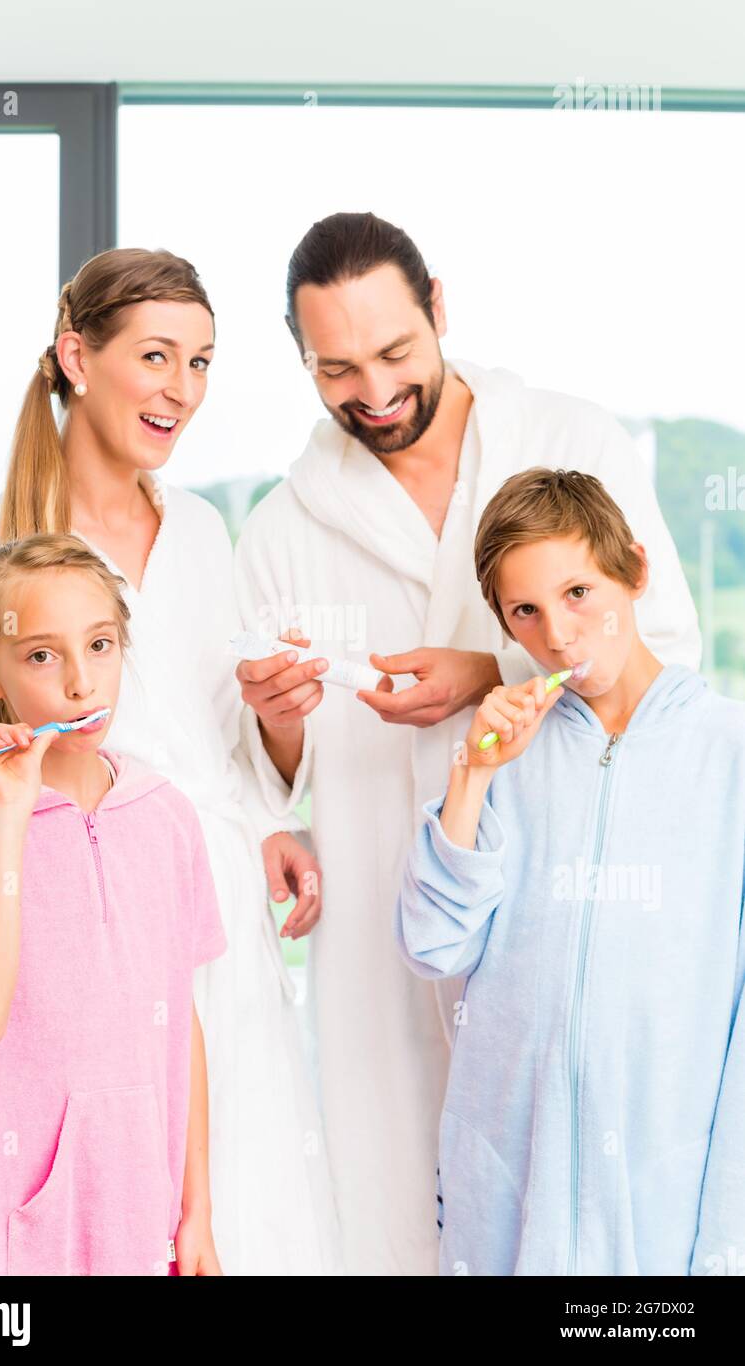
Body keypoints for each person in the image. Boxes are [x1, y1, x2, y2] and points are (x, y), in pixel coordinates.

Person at [233, 212, 702, 1275]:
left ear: (438, 307)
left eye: (396, 352)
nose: (375, 391)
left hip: (562, 924)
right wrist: (277, 714)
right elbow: (265, 779)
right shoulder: (280, 530)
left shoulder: (570, 441)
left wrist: (486, 668)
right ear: (299, 357)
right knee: (393, 1220)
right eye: (336, 367)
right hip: (382, 951)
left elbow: (665, 653)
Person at [0, 247, 343, 1276]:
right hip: (57, 957)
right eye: (157, 356)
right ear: (75, 355)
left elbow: (220, 751)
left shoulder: (203, 533)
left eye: (204, 362)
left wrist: (274, 780)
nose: (183, 388)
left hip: (201, 926)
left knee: (237, 1212)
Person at [395, 467, 745, 1276]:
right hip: (509, 1203)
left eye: (580, 592)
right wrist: (474, 776)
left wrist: (725, 1245)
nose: (557, 634)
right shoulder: (502, 755)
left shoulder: (729, 756)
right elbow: (431, 947)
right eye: (526, 611)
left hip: (664, 1208)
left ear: (636, 569)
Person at [0, 534, 226, 1275]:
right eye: (43, 655)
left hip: (136, 1218)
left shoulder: (165, 814)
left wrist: (196, 1211)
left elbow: (180, 1020)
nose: (83, 684)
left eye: (102, 645)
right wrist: (11, 814)